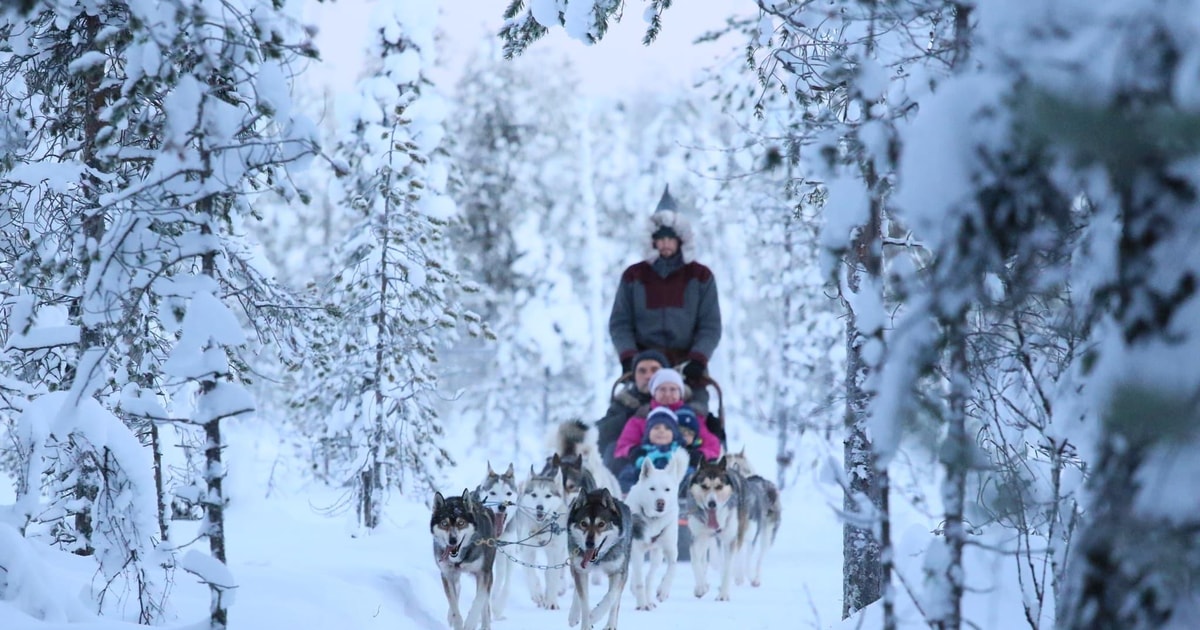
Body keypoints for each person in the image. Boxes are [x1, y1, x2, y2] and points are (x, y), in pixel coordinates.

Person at [608, 185, 722, 417]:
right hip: (644, 371)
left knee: (697, 421)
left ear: (681, 240)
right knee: (619, 421)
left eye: (671, 238)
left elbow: (710, 326)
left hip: (687, 370)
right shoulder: (634, 276)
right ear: (652, 241)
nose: (666, 244)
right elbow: (620, 323)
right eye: (660, 239)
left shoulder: (700, 277)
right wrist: (629, 358)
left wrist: (698, 360)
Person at [612, 369, 721, 475]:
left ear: (680, 393)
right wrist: (634, 452)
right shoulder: (641, 417)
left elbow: (712, 446)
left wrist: (699, 455)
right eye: (662, 389)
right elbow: (623, 446)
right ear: (654, 392)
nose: (667, 394)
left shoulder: (691, 418)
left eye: (673, 389)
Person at [596, 348, 667, 470]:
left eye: (654, 370)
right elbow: (601, 434)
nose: (648, 376)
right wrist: (629, 417)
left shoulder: (682, 402)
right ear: (634, 377)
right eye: (642, 371)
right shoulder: (623, 402)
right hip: (630, 463)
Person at [615, 406, 684, 494]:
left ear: (674, 434)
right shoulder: (641, 452)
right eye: (656, 428)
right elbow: (627, 475)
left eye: (667, 428)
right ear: (648, 433)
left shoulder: (679, 453)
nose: (661, 431)